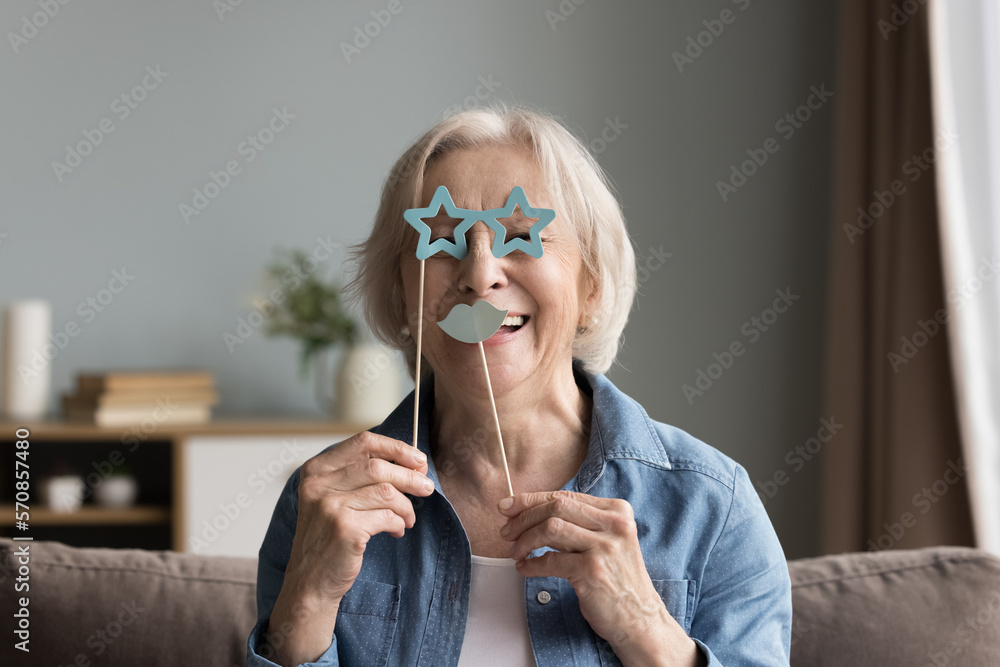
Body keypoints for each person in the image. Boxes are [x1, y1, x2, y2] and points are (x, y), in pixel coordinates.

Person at [246, 107, 792, 666]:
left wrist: (647, 629)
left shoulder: (712, 509)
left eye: (523, 236)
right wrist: (306, 602)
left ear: (593, 286)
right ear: (399, 293)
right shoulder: (322, 503)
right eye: (440, 240)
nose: (480, 274)